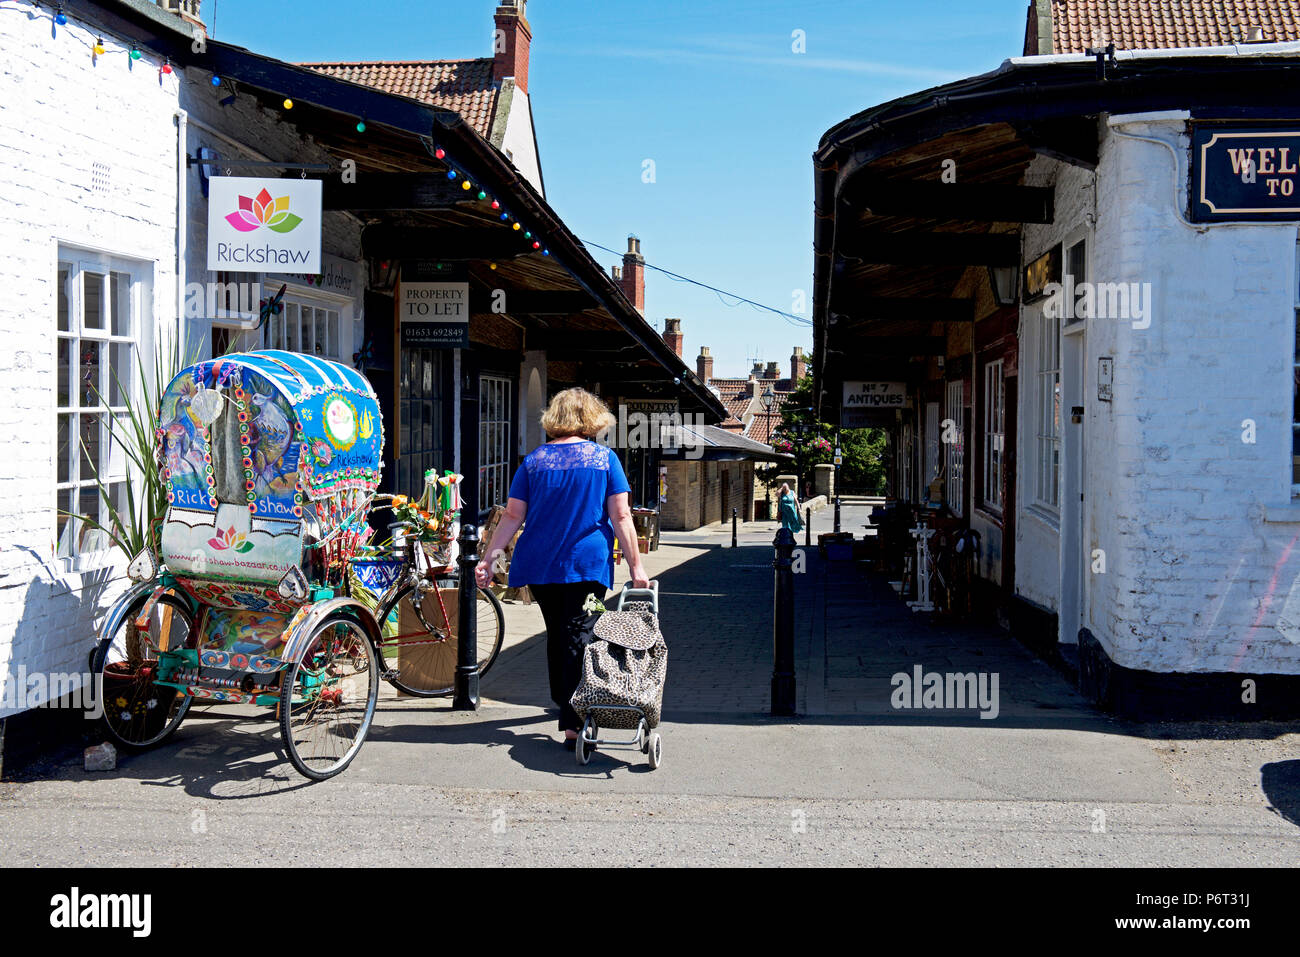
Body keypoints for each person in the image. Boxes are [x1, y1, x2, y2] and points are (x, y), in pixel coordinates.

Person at [475, 387, 650, 749]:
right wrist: (637, 567)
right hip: (588, 569)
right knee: (584, 631)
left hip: (541, 567)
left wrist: (489, 560)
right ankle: (575, 718)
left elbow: (511, 517)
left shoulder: (534, 461)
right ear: (591, 419)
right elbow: (621, 516)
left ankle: (568, 707)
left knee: (560, 633)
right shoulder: (605, 461)